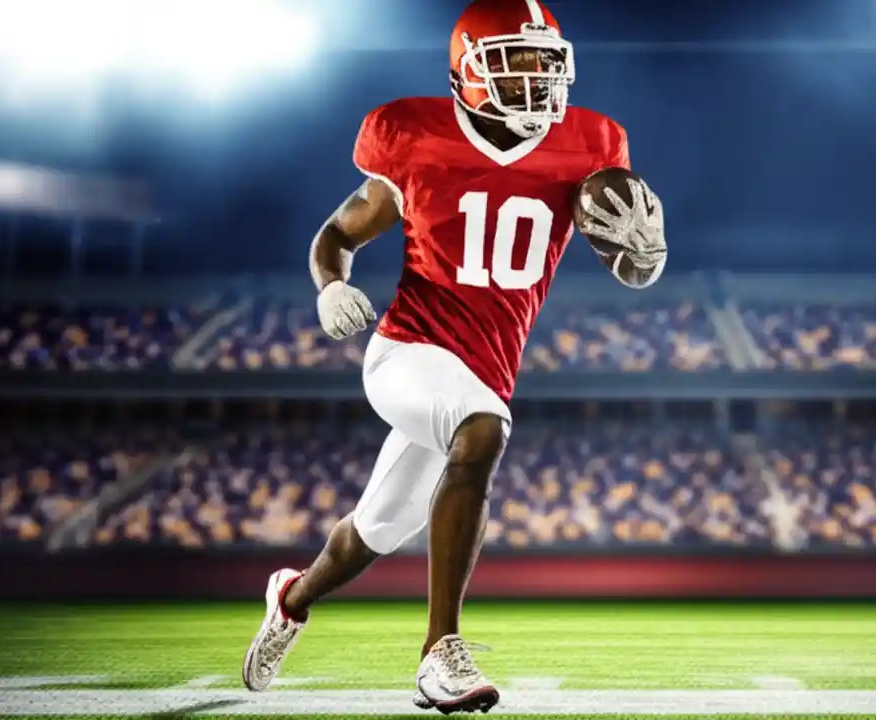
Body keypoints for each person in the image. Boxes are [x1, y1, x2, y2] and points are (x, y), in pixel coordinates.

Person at [240, 0, 667, 714]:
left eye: (545, 65)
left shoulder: (589, 144)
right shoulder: (414, 136)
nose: (535, 82)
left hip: (484, 368)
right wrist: (330, 285)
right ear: (467, 69)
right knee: (482, 431)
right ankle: (441, 651)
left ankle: (291, 597)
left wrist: (645, 253)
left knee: (371, 533)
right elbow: (337, 235)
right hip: (407, 351)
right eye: (516, 62)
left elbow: (631, 264)